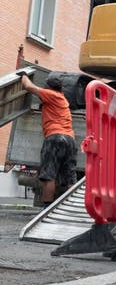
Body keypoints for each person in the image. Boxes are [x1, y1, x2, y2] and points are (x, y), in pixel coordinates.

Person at [21, 73, 77, 208]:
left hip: (55, 137)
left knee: (49, 176)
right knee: (69, 178)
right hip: (70, 139)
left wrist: (23, 74)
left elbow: (28, 86)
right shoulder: (63, 99)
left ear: (49, 87)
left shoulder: (50, 94)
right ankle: (72, 209)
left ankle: (47, 209)